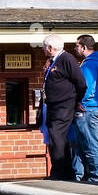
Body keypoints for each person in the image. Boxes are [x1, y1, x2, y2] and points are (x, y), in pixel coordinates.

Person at [38, 34, 86, 180]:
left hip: (64, 105)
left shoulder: (67, 59)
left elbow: (81, 83)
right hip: (53, 105)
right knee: (58, 139)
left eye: (44, 46)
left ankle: (59, 172)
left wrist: (75, 101)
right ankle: (65, 171)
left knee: (56, 137)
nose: (42, 49)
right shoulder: (54, 60)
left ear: (51, 48)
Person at [71, 35, 98, 183]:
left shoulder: (89, 65)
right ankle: (77, 174)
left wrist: (78, 101)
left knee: (90, 143)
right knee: (82, 142)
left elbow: (86, 87)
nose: (75, 49)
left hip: (89, 109)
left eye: (77, 46)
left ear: (84, 48)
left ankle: (96, 176)